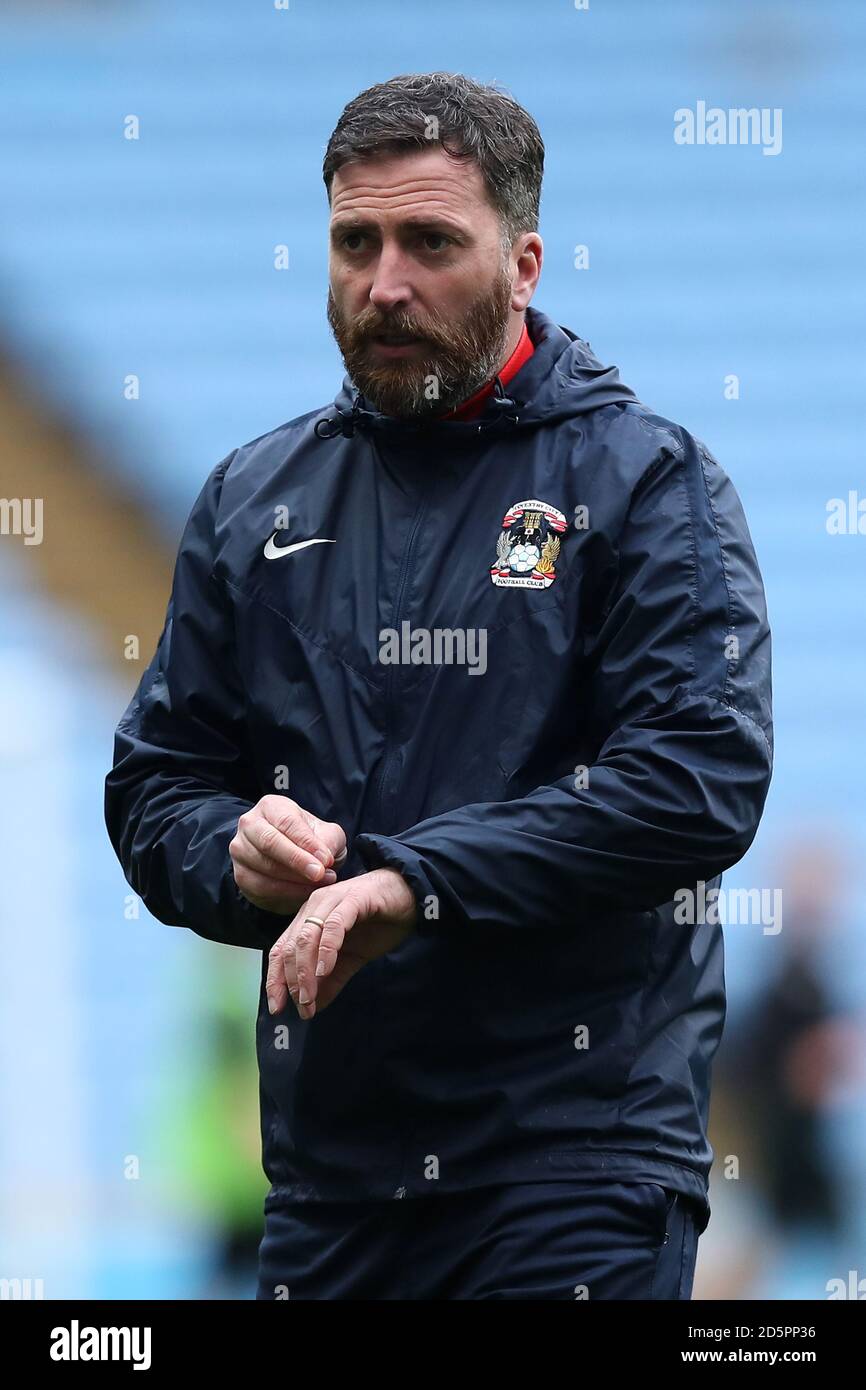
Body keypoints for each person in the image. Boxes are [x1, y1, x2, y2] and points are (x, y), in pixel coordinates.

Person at [105, 71, 773, 1300]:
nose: (384, 284)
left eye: (429, 243)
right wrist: (228, 849)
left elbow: (694, 783)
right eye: (353, 243)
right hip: (327, 1186)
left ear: (523, 261)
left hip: (572, 1171)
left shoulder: (645, 484)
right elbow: (157, 786)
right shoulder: (254, 500)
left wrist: (418, 881)